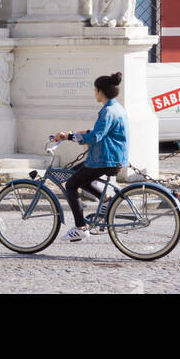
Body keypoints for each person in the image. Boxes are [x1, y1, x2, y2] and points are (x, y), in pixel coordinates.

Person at [53, 72, 129, 243]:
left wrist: (69, 137)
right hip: (108, 156)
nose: (94, 93)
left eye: (95, 90)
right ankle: (107, 200)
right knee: (75, 174)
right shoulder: (115, 108)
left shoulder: (108, 111)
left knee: (71, 184)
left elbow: (95, 137)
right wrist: (73, 133)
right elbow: (99, 132)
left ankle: (80, 228)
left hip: (105, 158)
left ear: (100, 92)